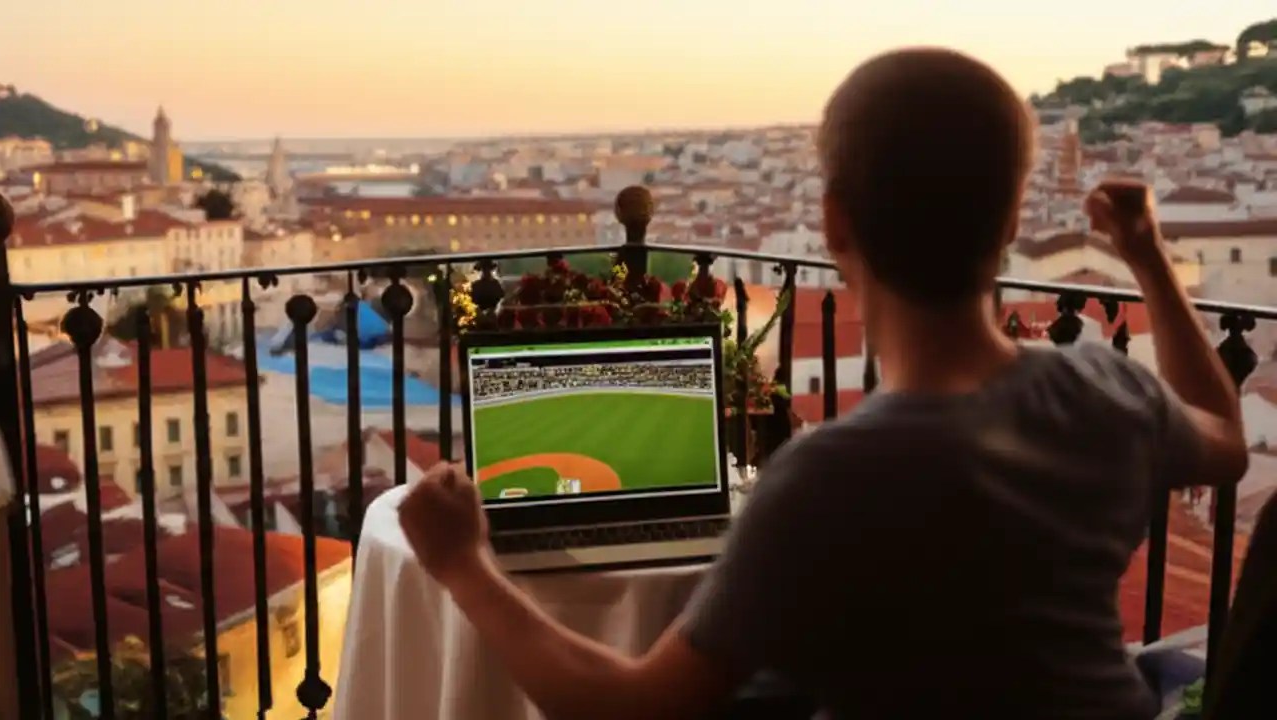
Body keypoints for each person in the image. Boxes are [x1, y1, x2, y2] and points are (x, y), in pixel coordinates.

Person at [397, 48, 1249, 719]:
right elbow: (1224, 440)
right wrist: (1146, 256)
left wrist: (463, 564)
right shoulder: (1104, 389)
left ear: (836, 219)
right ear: (1012, 217)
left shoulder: (833, 476)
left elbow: (631, 706)